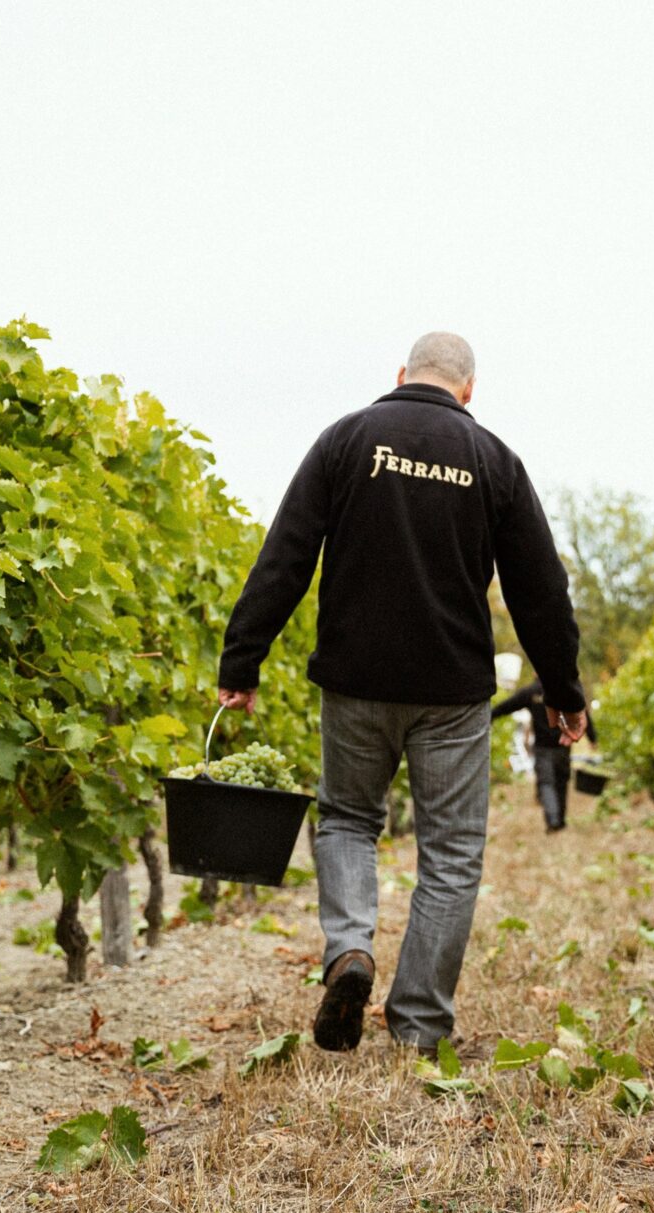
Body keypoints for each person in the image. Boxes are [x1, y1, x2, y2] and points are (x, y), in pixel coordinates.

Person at [216, 331, 587, 1055]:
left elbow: (285, 553)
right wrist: (563, 687)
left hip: (354, 682)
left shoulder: (347, 439)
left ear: (400, 374)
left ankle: (350, 950)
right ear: (469, 389)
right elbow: (540, 589)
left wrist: (242, 658)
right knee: (450, 855)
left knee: (349, 819)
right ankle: (418, 1022)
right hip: (452, 694)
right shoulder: (494, 460)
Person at [491, 677, 596, 832]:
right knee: (561, 782)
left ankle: (553, 820)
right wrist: (592, 737)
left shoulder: (532, 692)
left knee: (546, 782)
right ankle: (559, 820)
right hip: (563, 744)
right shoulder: (564, 689)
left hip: (543, 747)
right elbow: (582, 713)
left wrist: (490, 716)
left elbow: (509, 705)